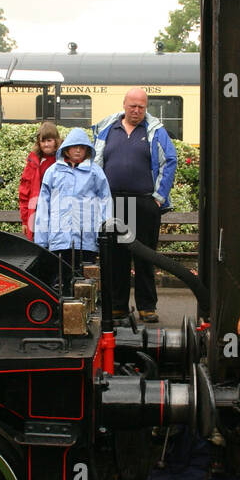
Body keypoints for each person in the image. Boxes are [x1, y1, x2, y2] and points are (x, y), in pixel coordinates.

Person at [93, 88, 177, 323]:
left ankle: (147, 307)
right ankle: (118, 307)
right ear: (124, 105)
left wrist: (158, 197)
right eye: (133, 106)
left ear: (145, 107)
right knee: (116, 258)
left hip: (144, 203)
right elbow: (95, 162)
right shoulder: (107, 129)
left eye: (141, 107)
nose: (137, 111)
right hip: (114, 202)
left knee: (146, 257)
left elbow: (170, 160)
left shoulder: (155, 131)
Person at [34, 128, 112, 279]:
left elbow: (105, 202)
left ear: (87, 150)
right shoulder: (53, 172)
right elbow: (44, 207)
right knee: (60, 283)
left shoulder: (95, 172)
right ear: (66, 148)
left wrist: (103, 235)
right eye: (74, 146)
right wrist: (41, 240)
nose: (78, 150)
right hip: (58, 240)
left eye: (82, 147)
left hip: (87, 239)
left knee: (85, 283)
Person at [18, 121, 59, 241]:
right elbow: (24, 192)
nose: (46, 144)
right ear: (38, 143)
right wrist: (25, 220)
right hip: (37, 213)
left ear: (56, 141)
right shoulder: (33, 162)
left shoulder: (63, 161)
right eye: (43, 141)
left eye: (49, 140)